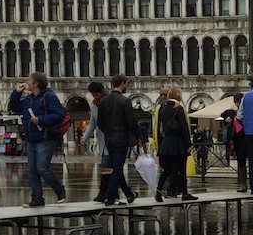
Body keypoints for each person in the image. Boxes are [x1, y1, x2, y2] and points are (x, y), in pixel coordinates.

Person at [8, 71, 67, 208]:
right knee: (32, 170)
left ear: (36, 84)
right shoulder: (29, 99)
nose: (26, 82)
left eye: (29, 81)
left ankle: (59, 189)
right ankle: (37, 198)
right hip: (31, 138)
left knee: (42, 168)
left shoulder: (49, 97)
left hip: (45, 137)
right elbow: (14, 107)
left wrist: (40, 120)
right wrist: (16, 93)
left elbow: (59, 115)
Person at [80, 81, 135, 203]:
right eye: (93, 95)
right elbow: (93, 122)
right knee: (113, 168)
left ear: (102, 92)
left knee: (110, 167)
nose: (95, 97)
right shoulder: (94, 104)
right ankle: (127, 193)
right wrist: (85, 136)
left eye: (96, 95)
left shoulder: (109, 101)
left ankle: (108, 193)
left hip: (113, 139)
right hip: (104, 140)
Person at [96, 74, 145, 206]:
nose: (127, 87)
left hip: (109, 138)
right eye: (126, 84)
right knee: (117, 169)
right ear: (122, 84)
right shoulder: (124, 101)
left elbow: (99, 122)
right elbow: (131, 122)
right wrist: (138, 136)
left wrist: (108, 132)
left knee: (115, 167)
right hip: (121, 138)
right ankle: (110, 197)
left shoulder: (104, 101)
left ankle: (129, 194)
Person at [156, 86, 197, 201]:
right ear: (178, 95)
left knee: (167, 170)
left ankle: (158, 191)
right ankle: (185, 193)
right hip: (178, 144)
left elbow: (160, 127)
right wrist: (188, 144)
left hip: (166, 143)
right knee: (181, 170)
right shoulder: (178, 108)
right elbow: (184, 128)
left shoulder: (162, 109)